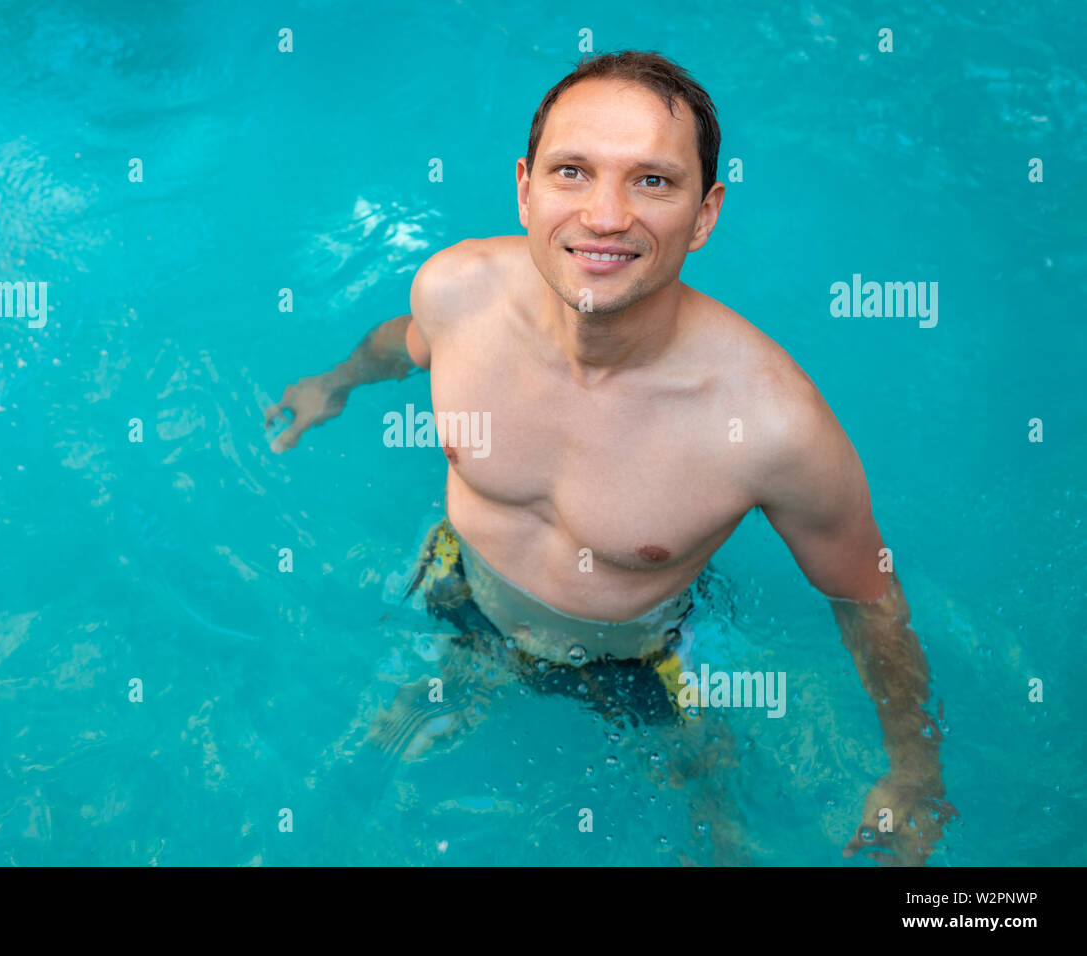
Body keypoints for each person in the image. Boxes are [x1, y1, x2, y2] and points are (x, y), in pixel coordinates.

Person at [265, 50, 956, 865]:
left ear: (705, 215)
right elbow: (407, 345)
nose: (604, 216)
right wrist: (335, 382)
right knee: (346, 795)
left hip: (643, 661)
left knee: (720, 836)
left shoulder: (772, 425)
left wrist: (914, 773)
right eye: (572, 172)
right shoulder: (458, 292)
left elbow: (867, 596)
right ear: (525, 188)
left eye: (653, 182)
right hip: (460, 588)